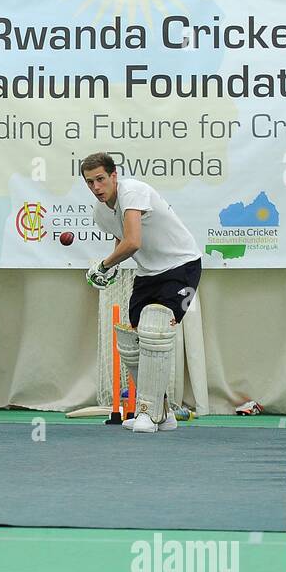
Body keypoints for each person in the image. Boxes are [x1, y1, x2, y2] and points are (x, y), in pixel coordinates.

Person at [81, 152, 201, 434]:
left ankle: (146, 411)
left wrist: (103, 265)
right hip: (148, 274)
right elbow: (121, 238)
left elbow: (133, 242)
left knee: (156, 328)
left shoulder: (132, 191)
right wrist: (110, 269)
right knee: (132, 341)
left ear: (114, 176)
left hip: (181, 266)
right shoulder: (101, 212)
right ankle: (164, 413)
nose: (96, 187)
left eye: (100, 179)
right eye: (90, 182)